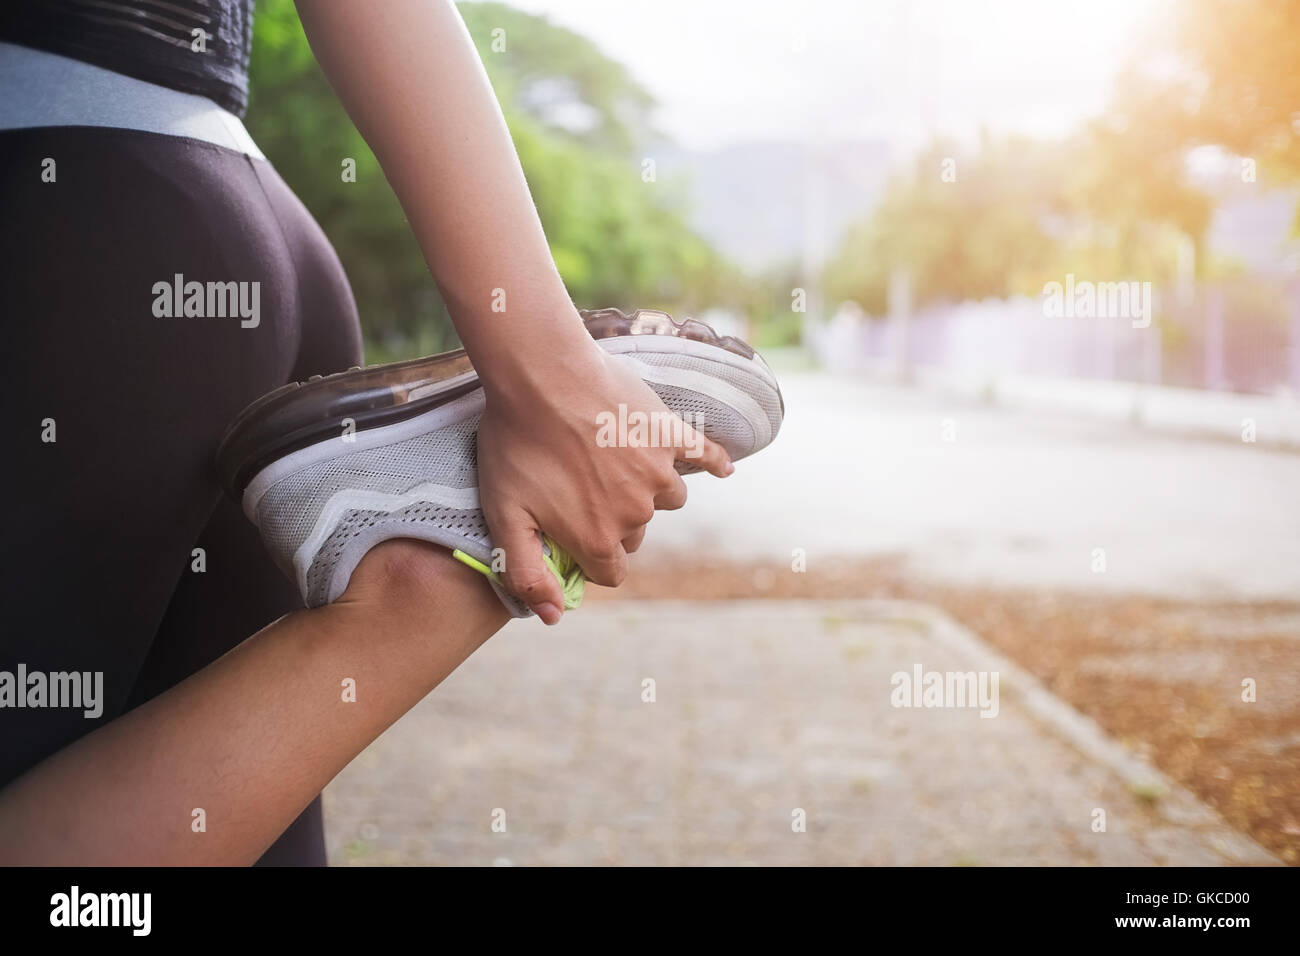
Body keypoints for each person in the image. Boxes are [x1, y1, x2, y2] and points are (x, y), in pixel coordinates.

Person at [0, 0, 767, 865]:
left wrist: (547, 368)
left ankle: (412, 602)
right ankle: (414, 600)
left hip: (67, 222)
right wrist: (534, 344)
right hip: (218, 210)